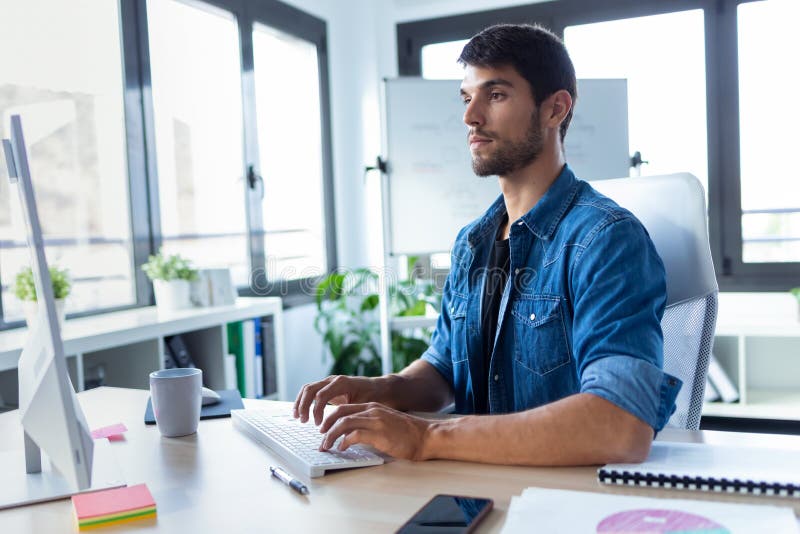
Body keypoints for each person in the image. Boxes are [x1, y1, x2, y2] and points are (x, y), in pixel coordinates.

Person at [294, 23, 681, 466]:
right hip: (475, 483)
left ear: (555, 109)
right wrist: (385, 390)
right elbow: (445, 367)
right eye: (466, 97)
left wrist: (429, 438)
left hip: (561, 498)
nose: (470, 117)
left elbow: (620, 425)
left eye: (495, 95)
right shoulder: (472, 242)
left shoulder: (606, 239)